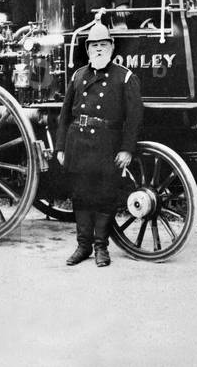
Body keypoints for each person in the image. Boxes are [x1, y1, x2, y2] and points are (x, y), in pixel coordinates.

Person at [53, 23, 141, 267]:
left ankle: (101, 248)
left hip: (106, 144)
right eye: (94, 46)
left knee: (104, 197)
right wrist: (60, 147)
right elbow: (64, 115)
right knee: (80, 196)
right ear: (88, 49)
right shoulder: (78, 75)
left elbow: (134, 118)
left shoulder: (124, 77)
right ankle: (83, 247)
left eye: (103, 45)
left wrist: (126, 148)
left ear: (111, 47)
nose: (99, 50)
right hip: (78, 143)